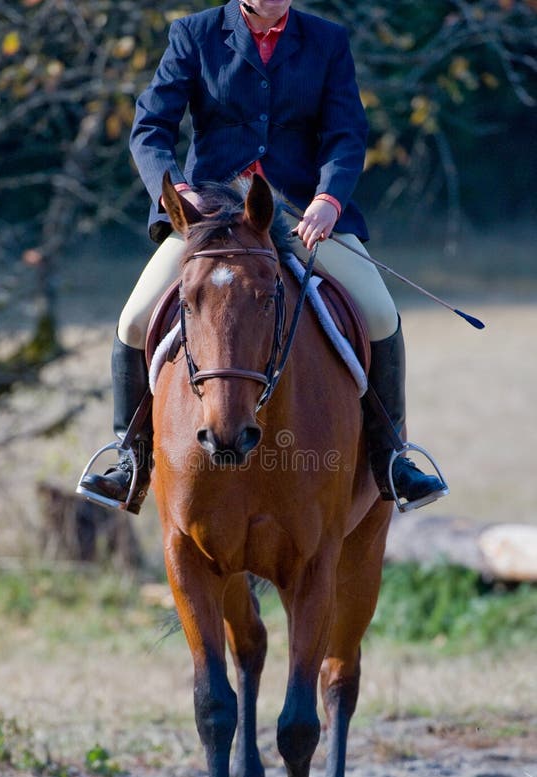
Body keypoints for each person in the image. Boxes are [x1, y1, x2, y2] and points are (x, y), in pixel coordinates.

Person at [78, 0, 448, 513]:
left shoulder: (327, 40)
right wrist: (179, 193)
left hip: (298, 215)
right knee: (134, 320)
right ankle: (129, 461)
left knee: (381, 314)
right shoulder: (195, 34)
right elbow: (151, 127)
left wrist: (328, 200)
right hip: (211, 218)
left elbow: (346, 134)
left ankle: (392, 459)